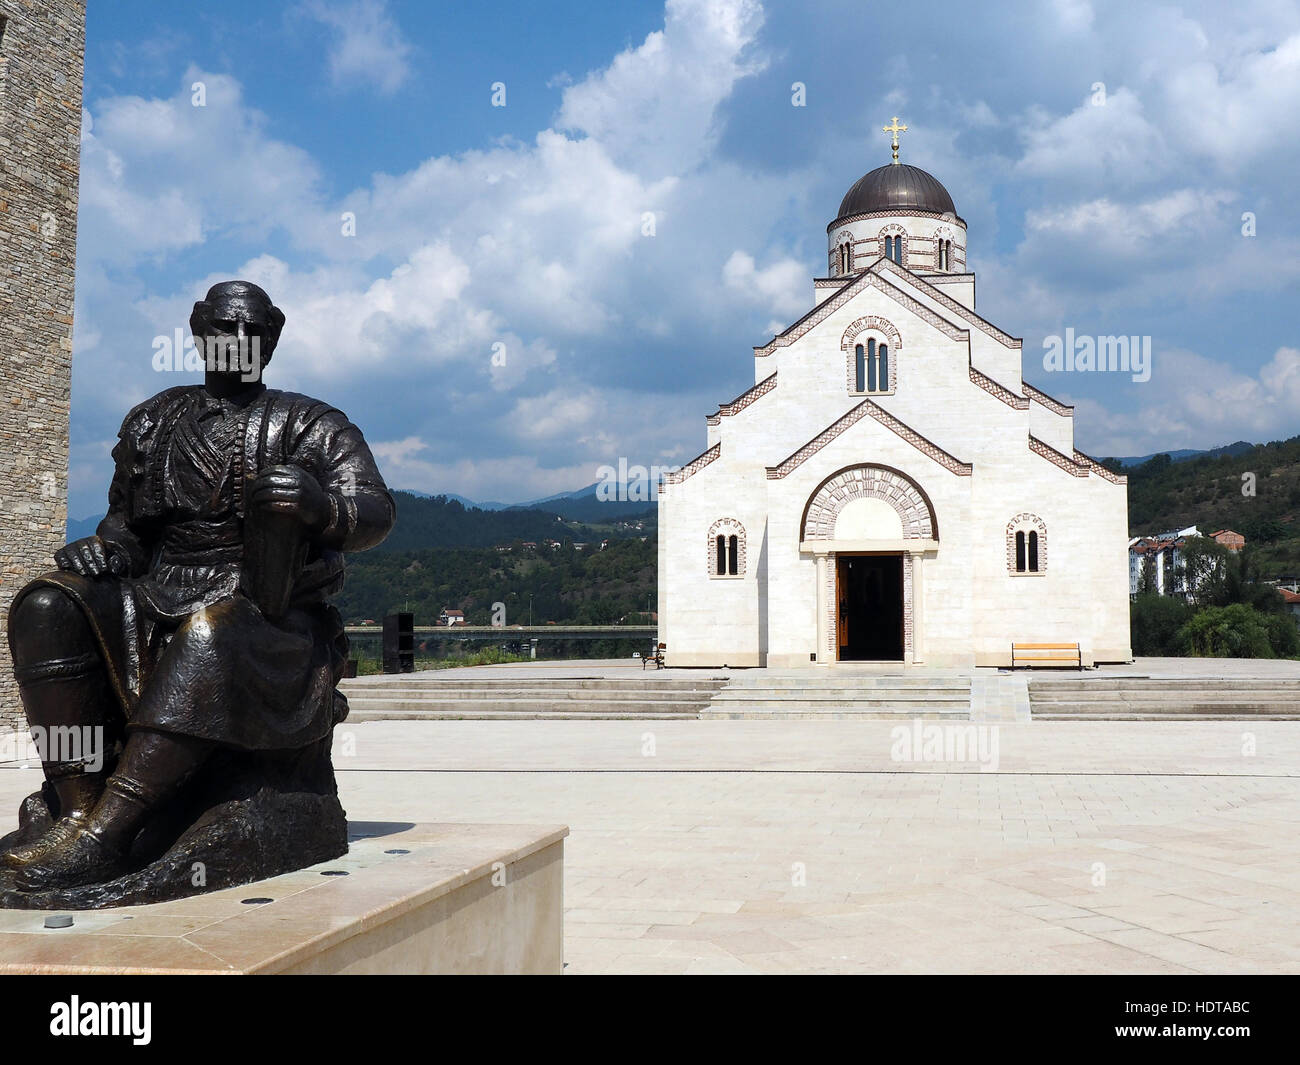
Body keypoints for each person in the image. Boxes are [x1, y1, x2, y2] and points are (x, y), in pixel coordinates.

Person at [4, 280, 395, 891]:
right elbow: (126, 523)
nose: (237, 342)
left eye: (252, 331)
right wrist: (105, 547)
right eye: (224, 329)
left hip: (269, 612)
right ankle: (76, 802)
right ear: (199, 334)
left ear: (271, 341)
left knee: (212, 629)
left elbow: (373, 508)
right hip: (158, 587)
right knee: (47, 603)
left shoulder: (310, 422)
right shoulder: (156, 419)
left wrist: (319, 506)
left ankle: (113, 832)